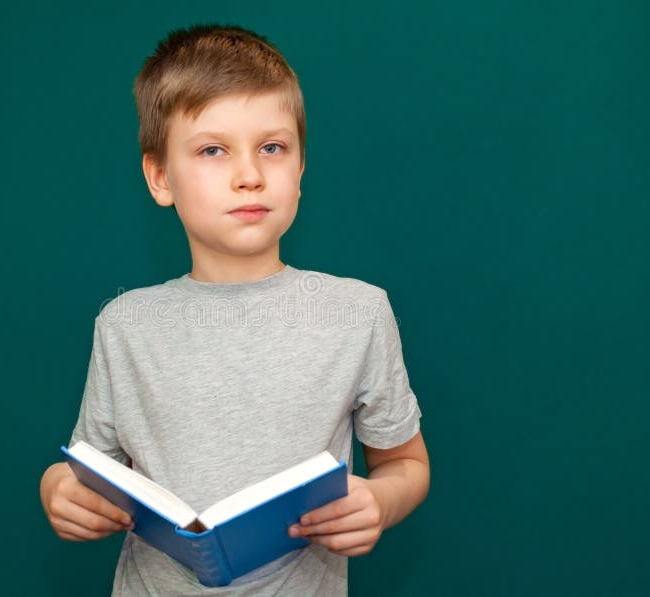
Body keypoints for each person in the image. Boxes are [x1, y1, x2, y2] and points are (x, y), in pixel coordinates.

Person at [39, 24, 430, 596]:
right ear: (160, 176)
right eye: (213, 150)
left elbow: (407, 466)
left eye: (272, 148)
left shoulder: (359, 312)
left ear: (299, 169)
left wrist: (380, 501)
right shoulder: (124, 324)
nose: (249, 175)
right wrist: (55, 489)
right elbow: (89, 473)